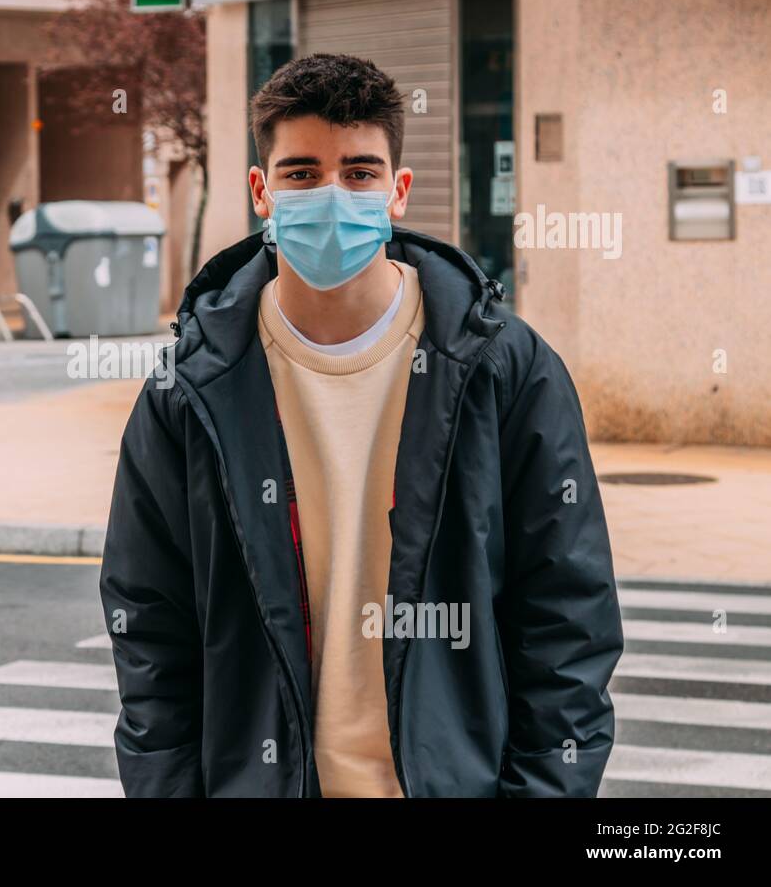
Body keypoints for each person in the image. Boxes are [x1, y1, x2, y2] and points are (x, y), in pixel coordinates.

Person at [99, 53, 623, 797]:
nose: (332, 194)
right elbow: (150, 627)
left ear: (398, 191)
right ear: (261, 191)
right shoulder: (188, 390)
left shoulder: (503, 369)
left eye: (359, 172)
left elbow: (568, 618)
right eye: (303, 173)